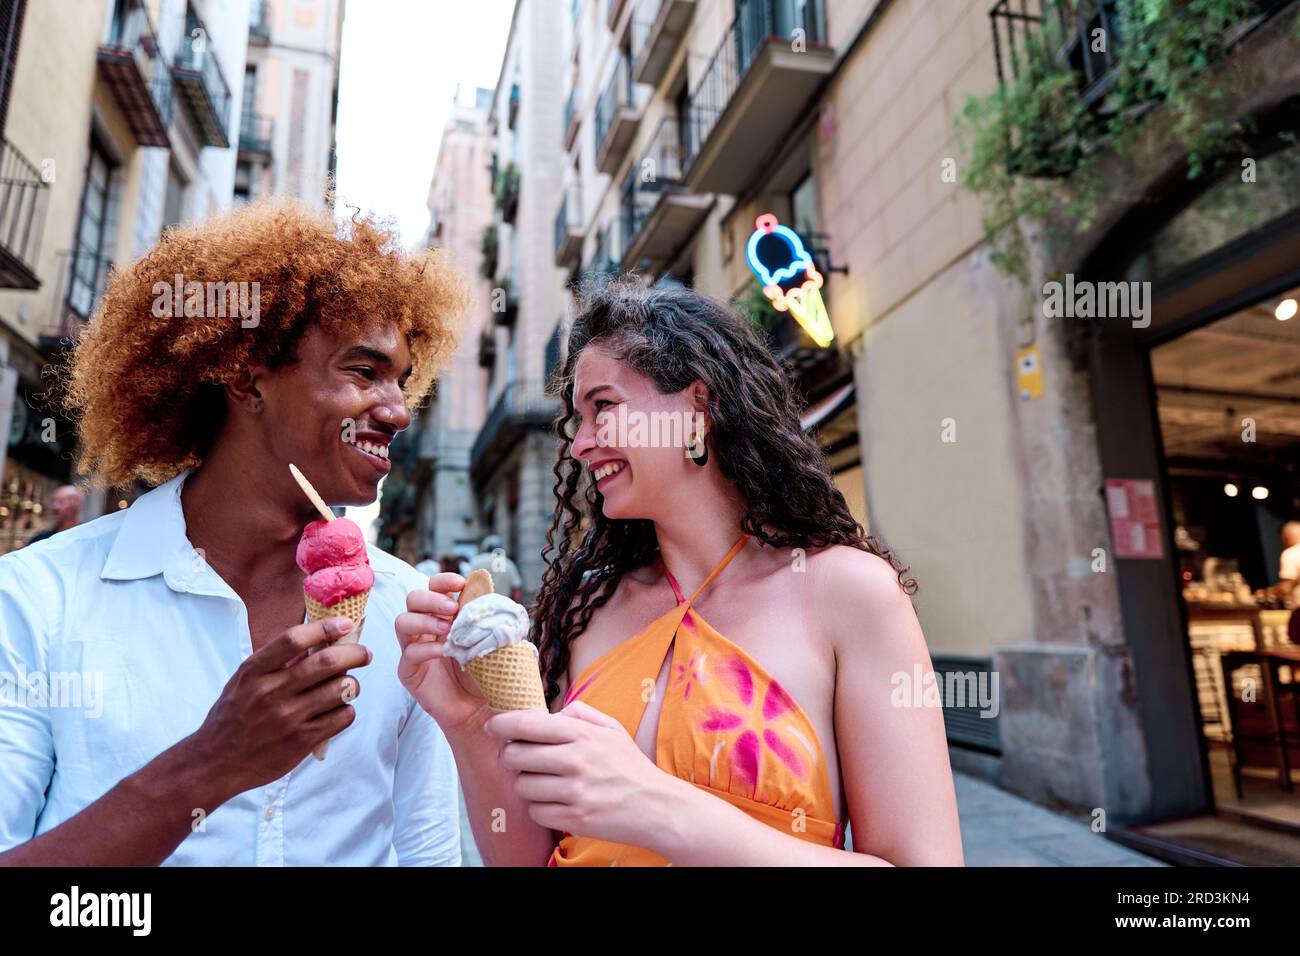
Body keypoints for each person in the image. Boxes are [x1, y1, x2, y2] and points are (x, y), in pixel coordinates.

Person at [395, 279, 964, 865]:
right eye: (578, 420)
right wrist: (468, 724)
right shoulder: (583, 612)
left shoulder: (851, 594)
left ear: (699, 405)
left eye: (604, 408)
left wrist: (657, 807)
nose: (580, 445)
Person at [0, 196, 468, 865]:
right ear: (248, 380)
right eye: (364, 371)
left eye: (403, 381)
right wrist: (211, 763)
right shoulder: (36, 600)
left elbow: (428, 855)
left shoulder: (405, 612)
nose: (397, 410)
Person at [464, 534, 522, 602]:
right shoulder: (508, 563)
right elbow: (517, 590)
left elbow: (466, 585)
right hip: (503, 606)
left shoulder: (476, 561)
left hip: (479, 606)